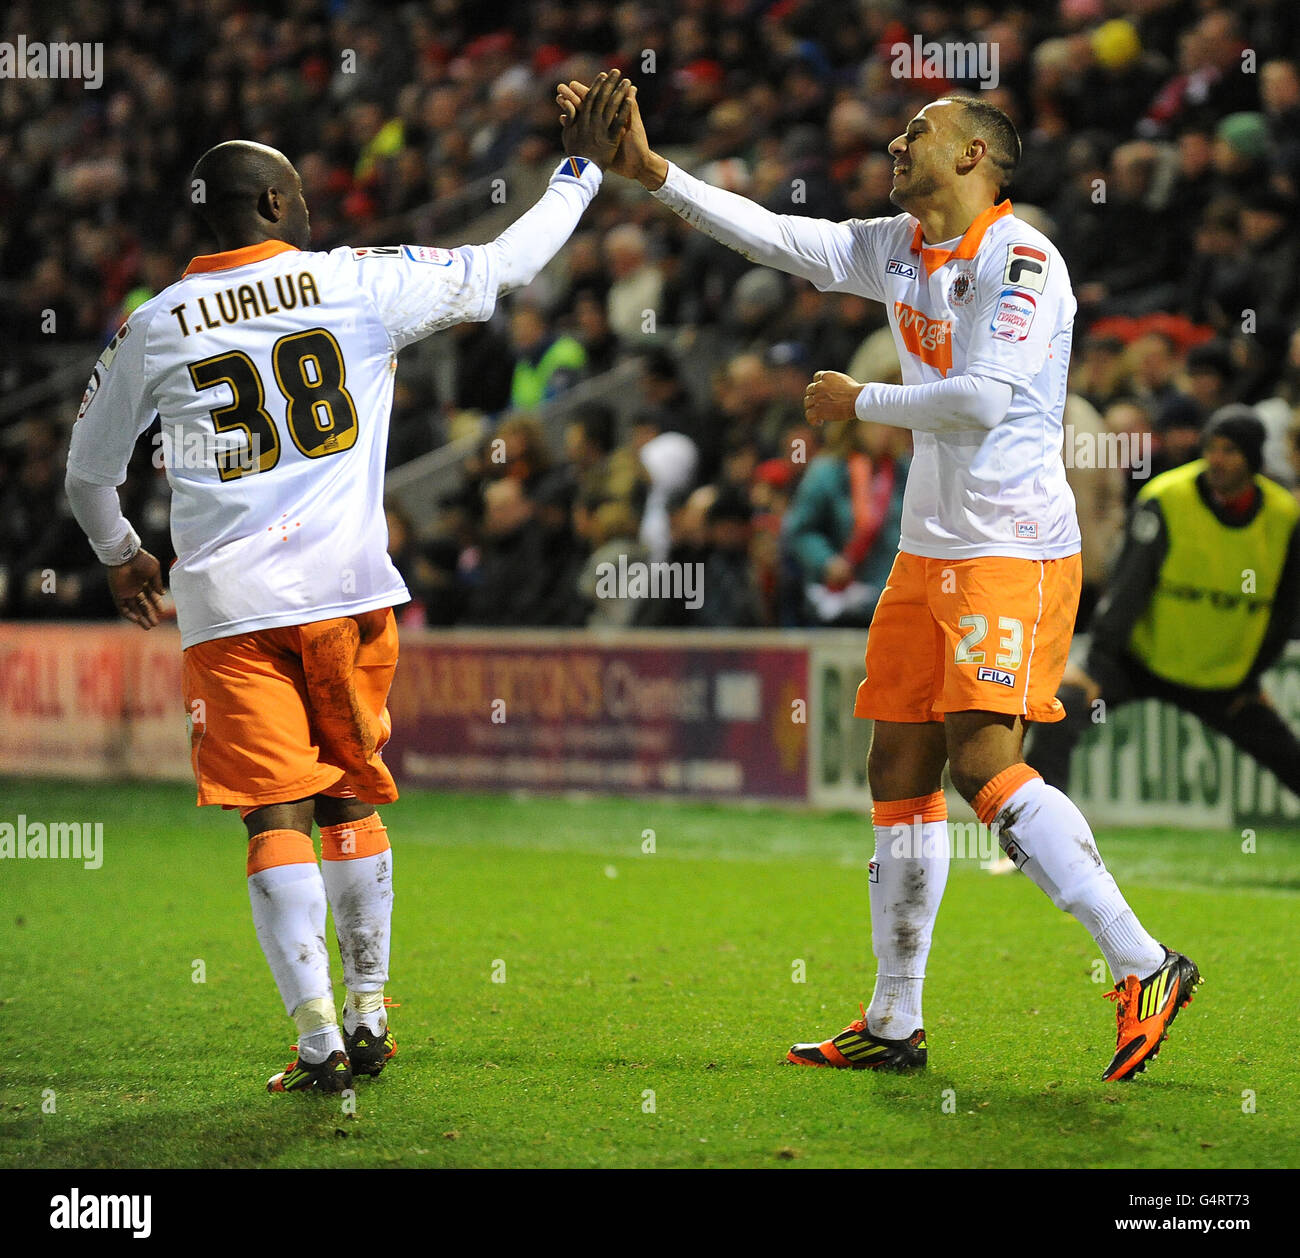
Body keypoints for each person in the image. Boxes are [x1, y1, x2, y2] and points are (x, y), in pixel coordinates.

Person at [560, 80, 1200, 1081]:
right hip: (928, 549)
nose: (898, 142)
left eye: (920, 132)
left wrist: (865, 399)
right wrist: (653, 176)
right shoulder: (899, 246)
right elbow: (778, 239)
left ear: (972, 159)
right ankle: (894, 1019)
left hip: (1013, 548)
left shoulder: (1021, 259)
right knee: (897, 774)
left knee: (982, 767)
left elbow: (986, 402)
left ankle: (1144, 961)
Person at [64, 72, 633, 1093]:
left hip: (228, 611)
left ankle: (319, 1038)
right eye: (304, 198)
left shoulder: (155, 323)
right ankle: (372, 1010)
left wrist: (120, 553)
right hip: (347, 591)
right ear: (276, 206)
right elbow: (502, 266)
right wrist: (582, 171)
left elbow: (85, 473)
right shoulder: (354, 279)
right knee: (350, 794)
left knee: (271, 812)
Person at [1027, 407, 1300, 798]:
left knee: (1287, 756)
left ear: (1254, 459)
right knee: (1059, 710)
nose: (1216, 460)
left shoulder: (1284, 515)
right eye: (1212, 448)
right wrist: (1097, 668)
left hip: (1222, 680)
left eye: (1230, 451)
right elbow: (1126, 590)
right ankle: (1037, 831)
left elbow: (1285, 607)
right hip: (1139, 661)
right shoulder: (1167, 499)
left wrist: (1251, 677)